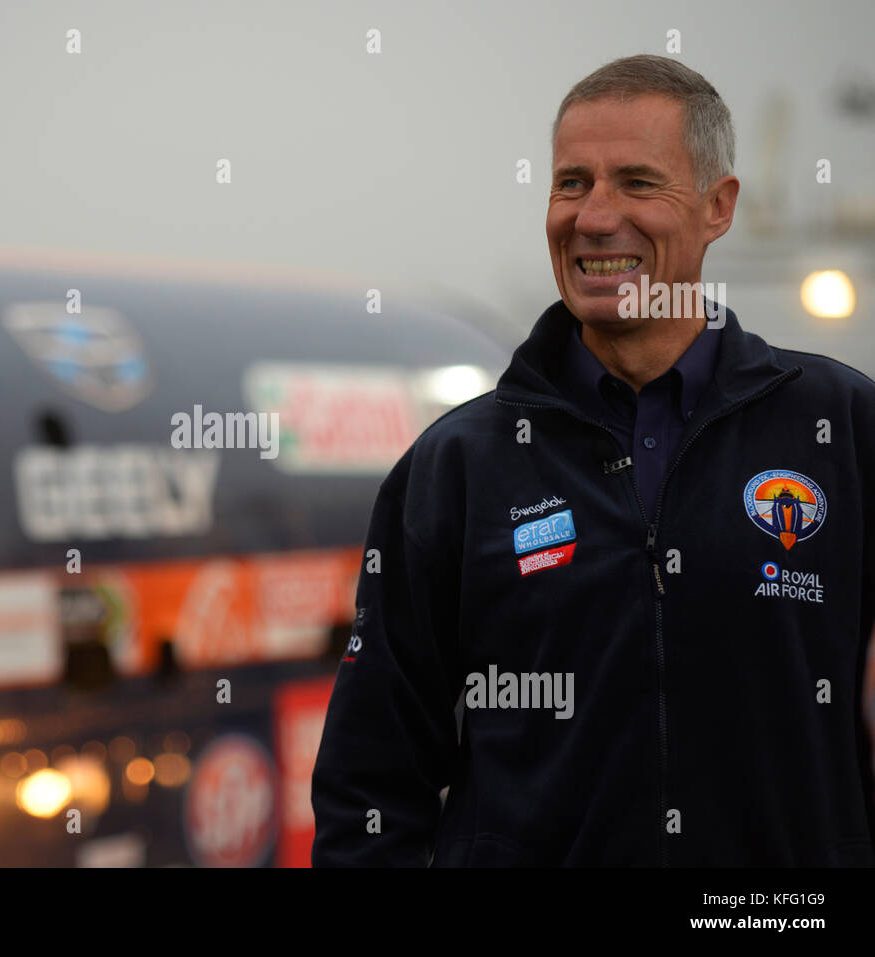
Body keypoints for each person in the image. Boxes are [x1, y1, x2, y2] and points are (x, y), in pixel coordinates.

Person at [311, 54, 875, 866]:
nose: (594, 217)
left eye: (637, 183)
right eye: (572, 184)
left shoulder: (842, 428)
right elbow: (370, 784)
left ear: (719, 207)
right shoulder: (457, 469)